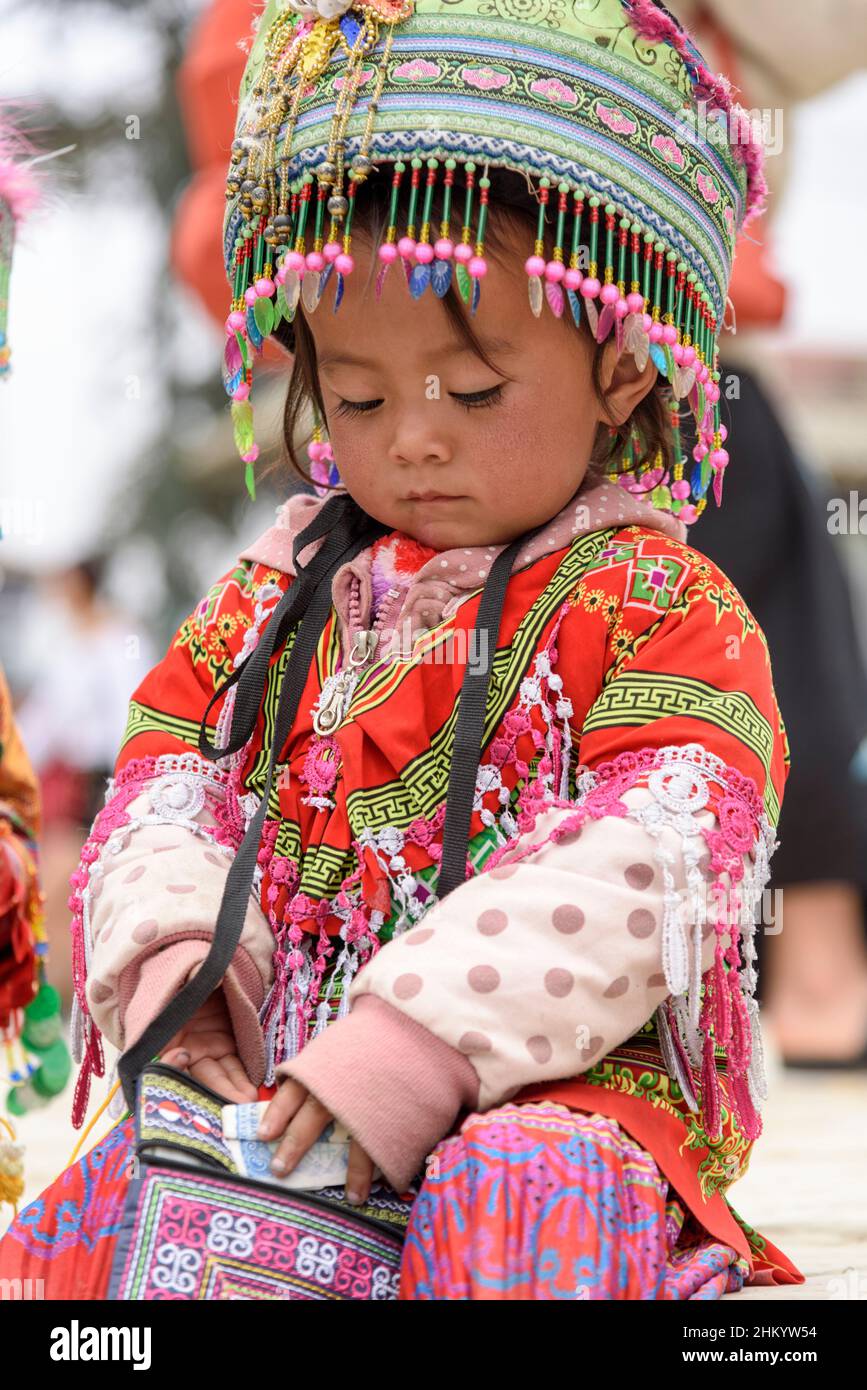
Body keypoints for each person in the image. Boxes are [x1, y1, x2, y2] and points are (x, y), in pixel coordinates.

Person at [0, 0, 806, 1296]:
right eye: (361, 396)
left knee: (513, 1192)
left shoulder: (663, 605)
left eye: (473, 391)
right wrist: (187, 973)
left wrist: (422, 1040)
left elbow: (660, 860)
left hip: (559, 1101)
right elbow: (171, 778)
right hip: (297, 1090)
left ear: (627, 372)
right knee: (97, 1216)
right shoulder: (280, 595)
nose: (412, 439)